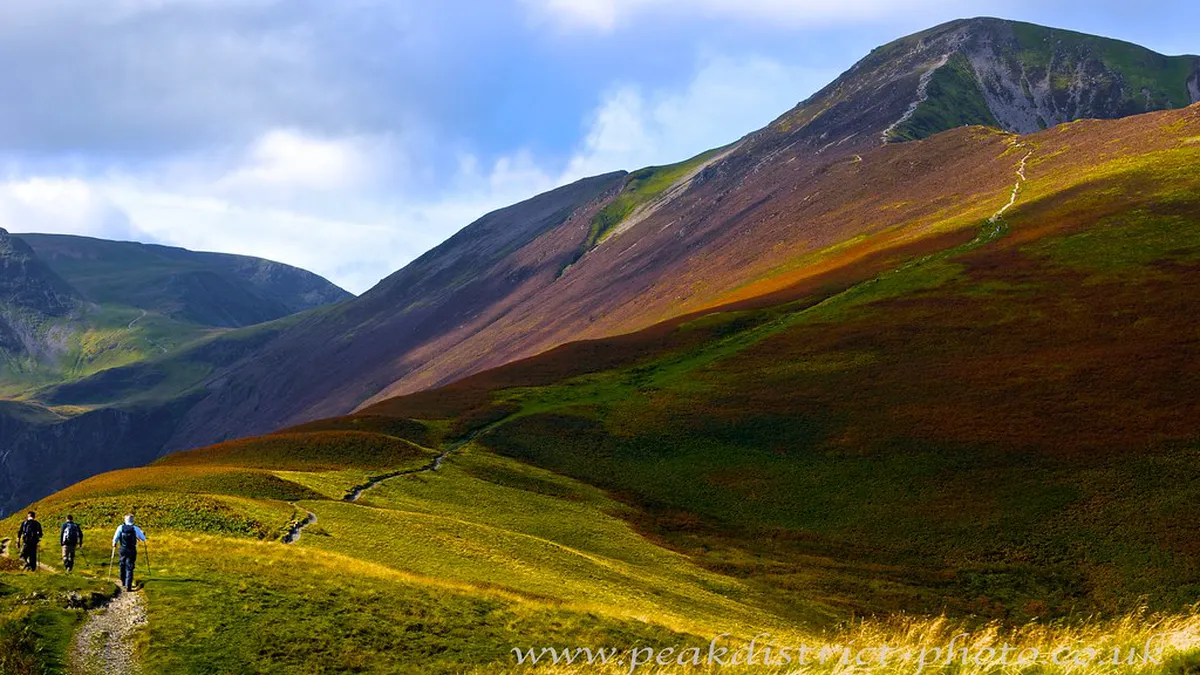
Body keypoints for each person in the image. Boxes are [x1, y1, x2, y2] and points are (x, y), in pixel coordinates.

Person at [111, 515, 147, 592]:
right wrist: (143, 534)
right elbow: (143, 538)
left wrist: (114, 543)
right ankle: (128, 586)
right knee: (130, 566)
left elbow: (115, 538)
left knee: (122, 564)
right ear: (132, 520)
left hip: (123, 549)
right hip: (132, 549)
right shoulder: (135, 528)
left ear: (125, 519)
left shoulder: (120, 527)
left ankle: (123, 581)